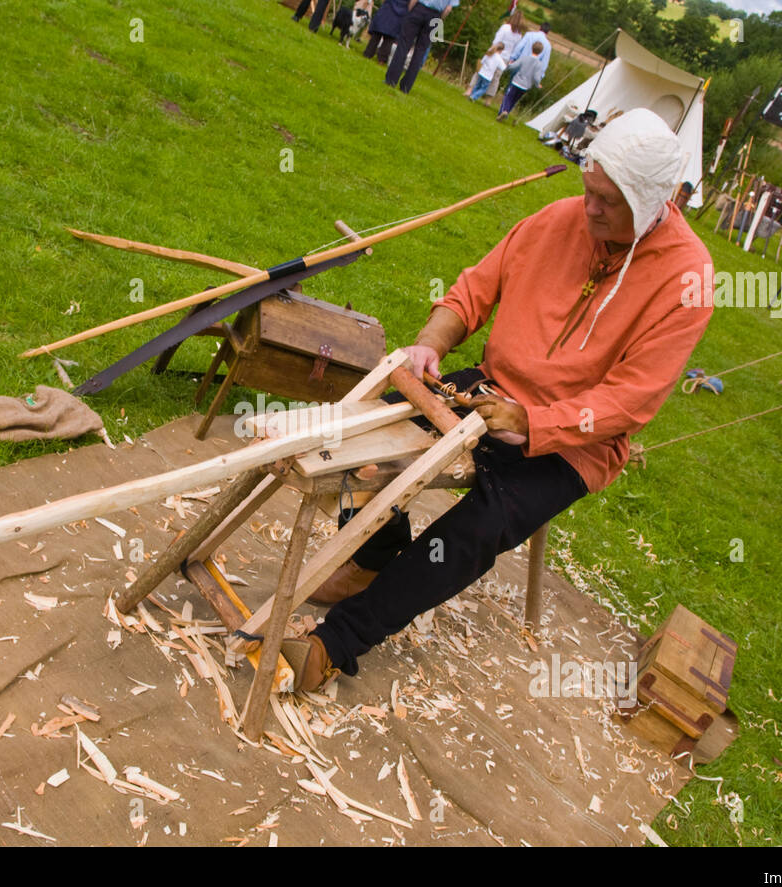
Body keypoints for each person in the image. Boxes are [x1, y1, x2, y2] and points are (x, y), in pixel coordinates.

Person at [281, 110, 715, 692]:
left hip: (576, 442)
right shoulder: (559, 220)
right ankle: (376, 555)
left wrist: (535, 424)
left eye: (608, 202)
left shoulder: (689, 278)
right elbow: (474, 290)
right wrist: (432, 342)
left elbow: (632, 400)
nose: (589, 209)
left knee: (476, 529)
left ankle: (336, 643)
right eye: (589, 191)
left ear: (652, 202)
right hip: (489, 387)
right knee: (368, 430)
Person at [385, 0, 460, 94]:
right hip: (436, 16)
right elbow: (448, 9)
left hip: (419, 9)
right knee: (421, 51)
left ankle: (391, 79)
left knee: (404, 45)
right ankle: (406, 87)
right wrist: (439, 18)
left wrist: (410, 10)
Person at [496, 40, 543, 119]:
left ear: (532, 48)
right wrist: (537, 84)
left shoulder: (525, 58)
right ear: (540, 52)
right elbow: (536, 77)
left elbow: (514, 66)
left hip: (516, 81)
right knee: (514, 100)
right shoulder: (539, 64)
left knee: (508, 97)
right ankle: (506, 113)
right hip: (525, 86)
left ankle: (504, 111)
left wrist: (508, 66)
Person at [363, 0, 408, 64]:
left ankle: (368, 53)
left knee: (376, 35)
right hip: (401, 12)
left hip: (387, 8)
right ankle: (382, 59)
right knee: (389, 39)